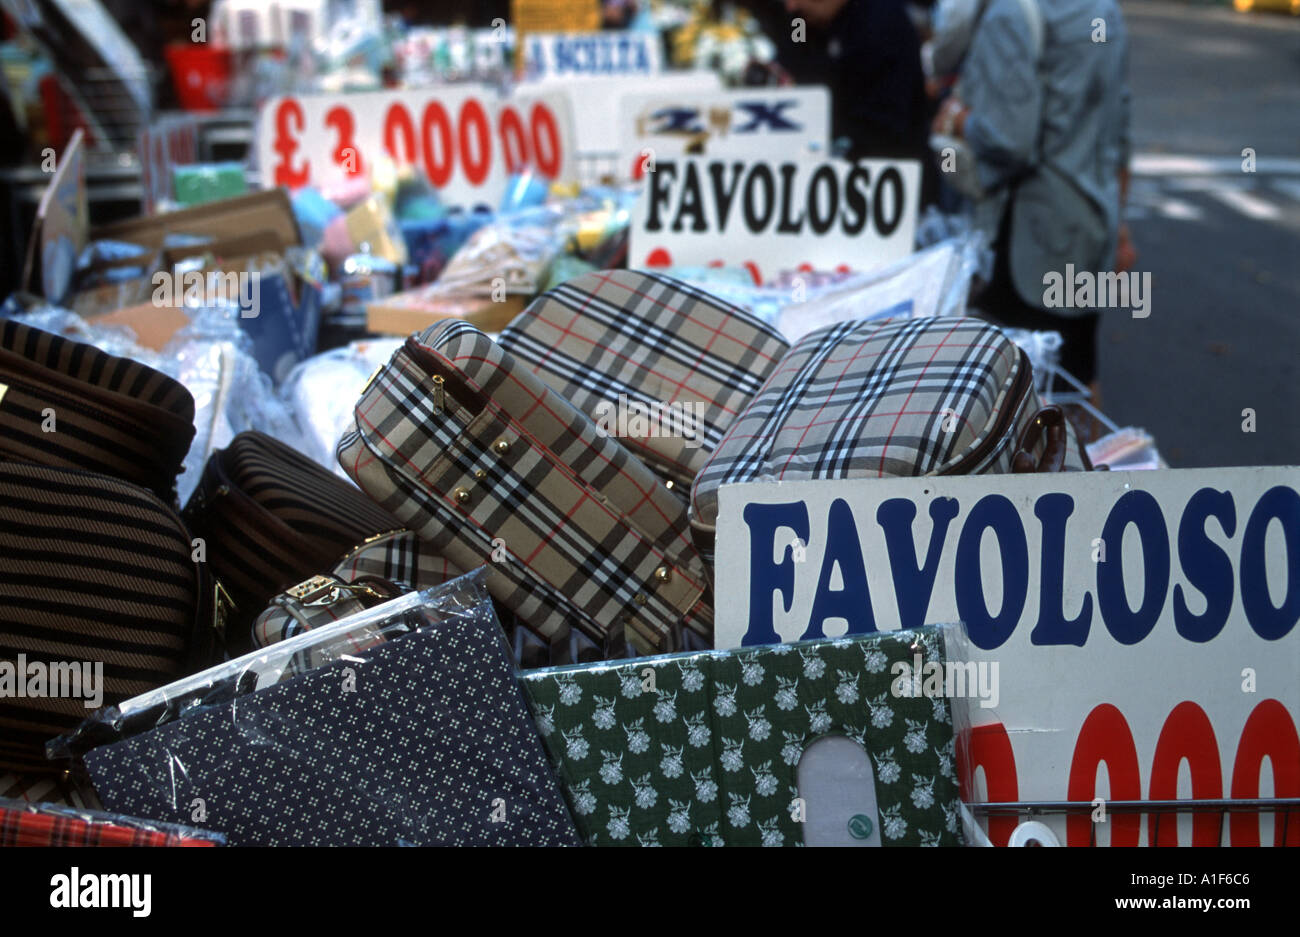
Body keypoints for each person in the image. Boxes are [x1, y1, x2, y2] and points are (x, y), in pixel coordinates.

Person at [933, 0, 1134, 426]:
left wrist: (957, 118)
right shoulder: (1105, 12)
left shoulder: (1009, 14)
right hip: (1090, 225)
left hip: (1029, 234)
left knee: (1015, 391)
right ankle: (1101, 482)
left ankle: (1040, 488)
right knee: (1079, 372)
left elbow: (1008, 140)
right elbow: (1119, 126)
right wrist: (1119, 229)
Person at [761, 0, 934, 177]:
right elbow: (790, 68)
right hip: (815, 169)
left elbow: (885, 128)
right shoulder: (802, 23)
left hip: (883, 172)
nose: (791, 6)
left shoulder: (883, 22)